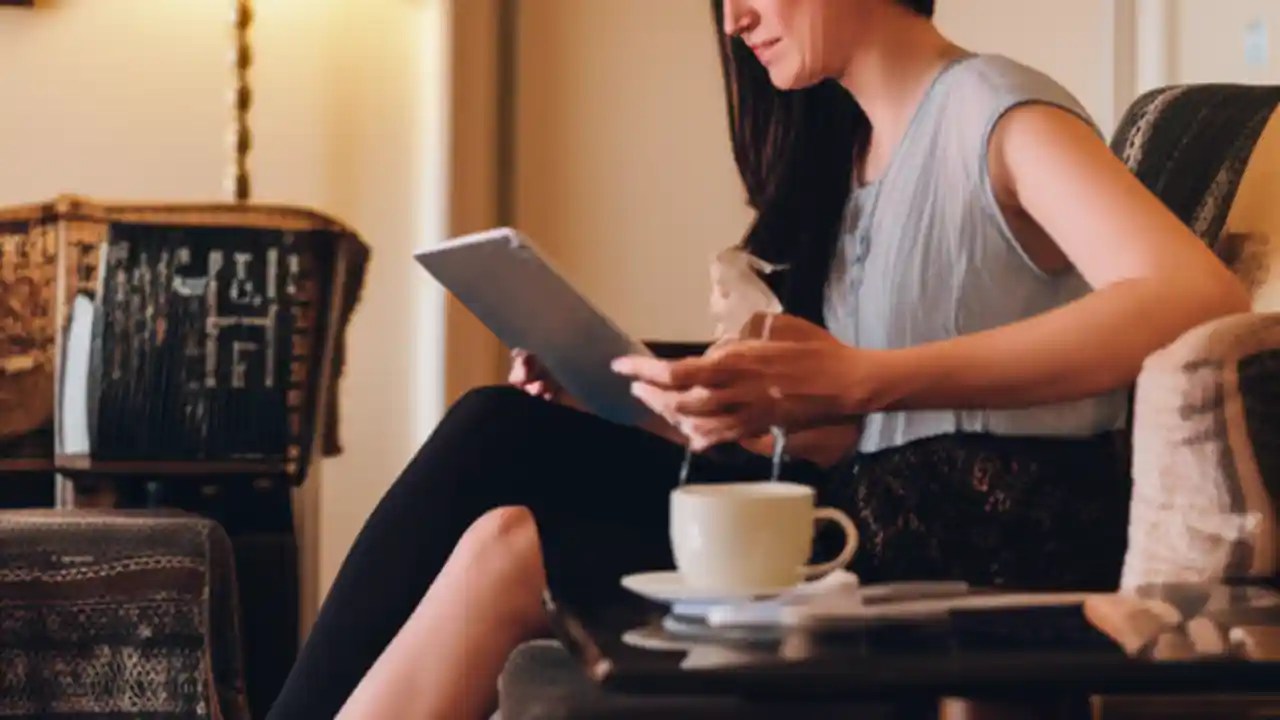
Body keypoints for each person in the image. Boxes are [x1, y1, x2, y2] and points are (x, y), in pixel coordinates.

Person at [268, 0, 1251, 718]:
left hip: (981, 544)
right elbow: (835, 433)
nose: (732, 19)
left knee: (498, 457)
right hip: (856, 520)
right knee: (503, 508)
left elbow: (1187, 296)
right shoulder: (854, 159)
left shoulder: (994, 108)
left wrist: (869, 378)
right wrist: (675, 403)